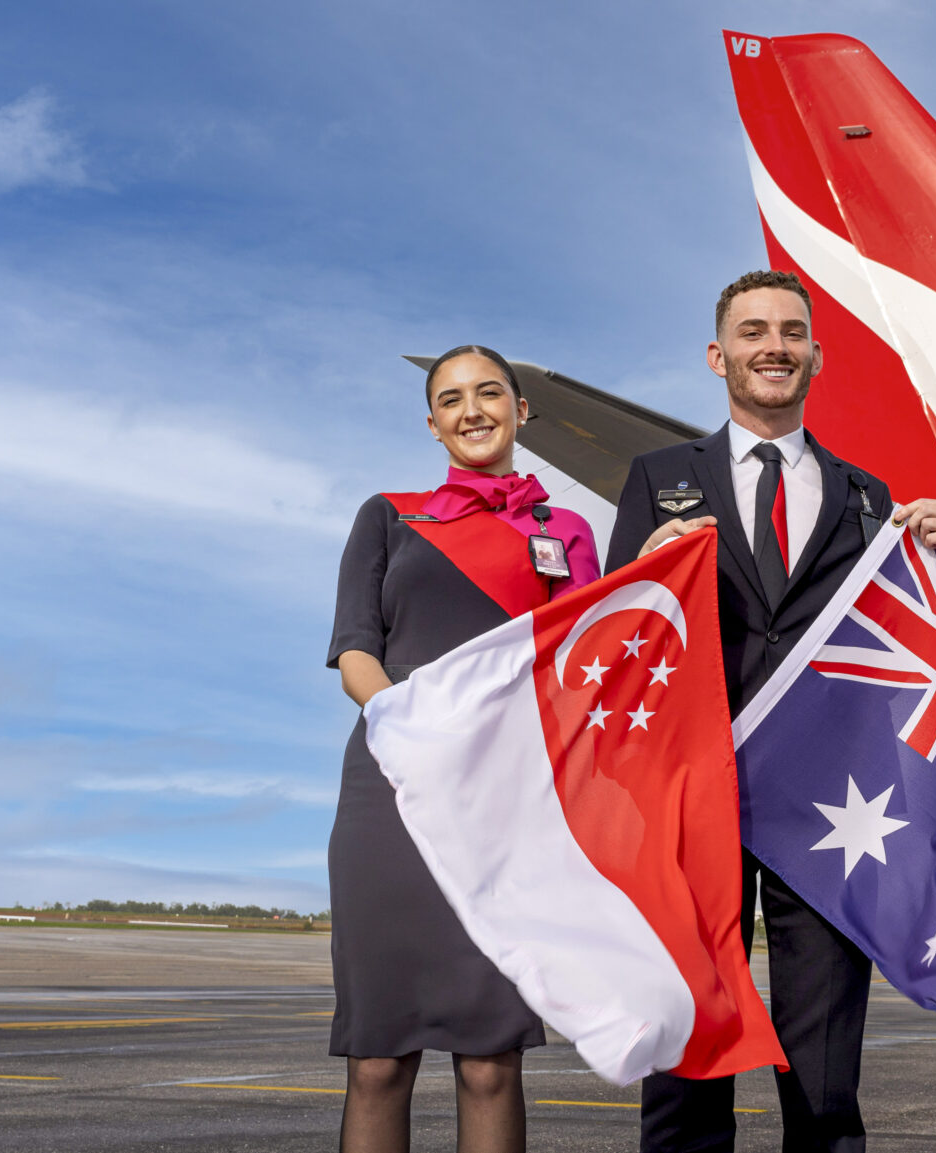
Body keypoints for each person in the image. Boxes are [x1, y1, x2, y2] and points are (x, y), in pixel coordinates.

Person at [607, 271, 936, 1153]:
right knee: (689, 1051)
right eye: (755, 330)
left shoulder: (869, 496)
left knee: (825, 1067)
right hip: (694, 791)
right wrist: (643, 568)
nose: (776, 345)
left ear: (815, 357)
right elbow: (613, 641)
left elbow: (899, 647)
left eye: (792, 333)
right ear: (718, 355)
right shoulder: (658, 478)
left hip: (831, 803)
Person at [326, 345, 599, 1153]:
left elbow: (582, 661)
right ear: (432, 423)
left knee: (490, 1062)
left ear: (523, 410)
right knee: (377, 1060)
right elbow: (354, 653)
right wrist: (415, 727)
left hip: (502, 787)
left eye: (489, 393)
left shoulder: (567, 531)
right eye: (451, 399)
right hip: (392, 782)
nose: (471, 410)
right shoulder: (389, 514)